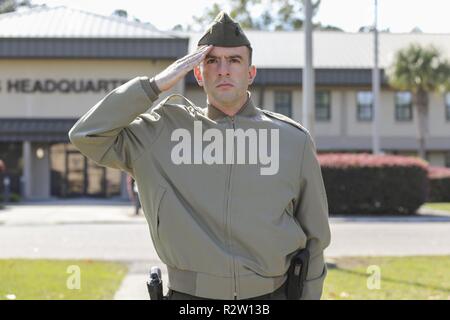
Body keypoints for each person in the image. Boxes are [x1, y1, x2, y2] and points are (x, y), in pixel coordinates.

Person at [69, 11, 331, 300]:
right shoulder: (161, 132)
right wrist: (154, 86)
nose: (223, 70)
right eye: (211, 61)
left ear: (250, 73)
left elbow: (315, 239)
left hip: (271, 296)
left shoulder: (293, 140)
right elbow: (87, 135)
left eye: (234, 60)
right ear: (197, 72)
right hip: (189, 299)